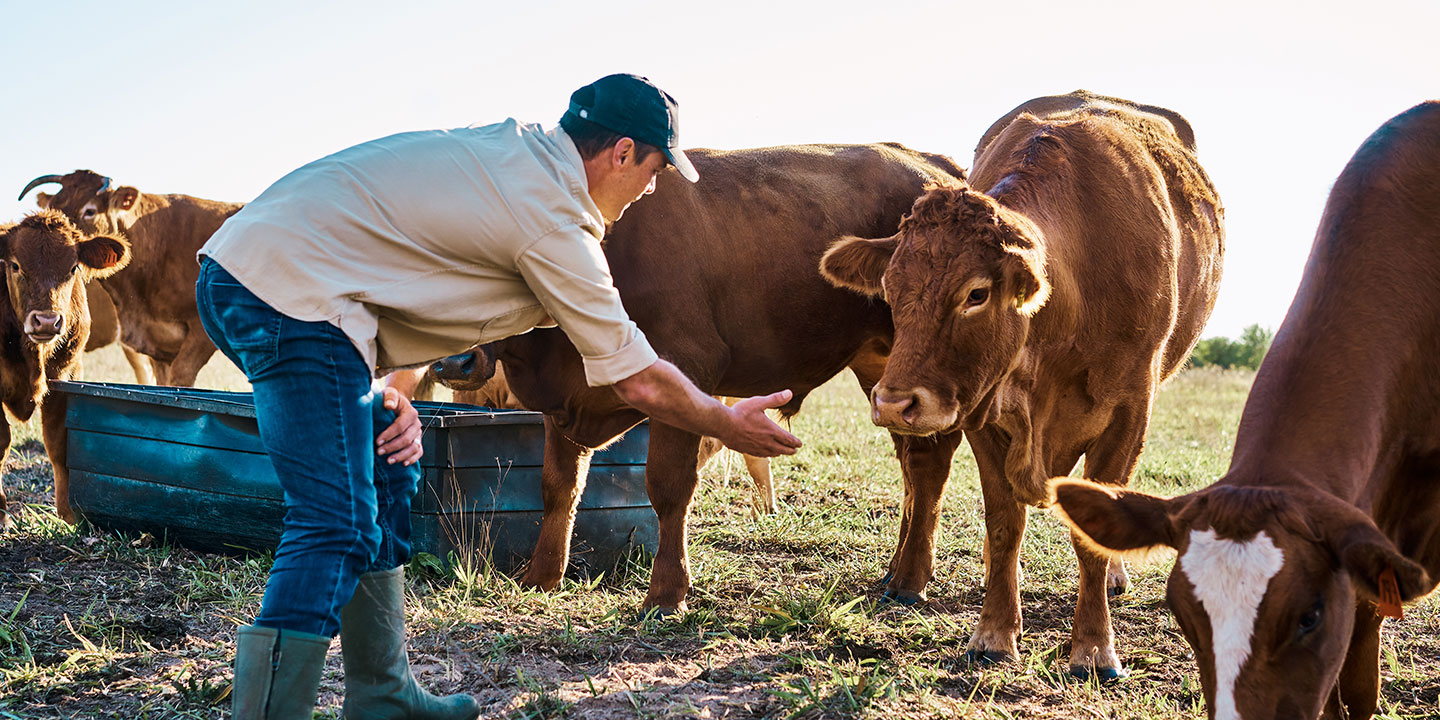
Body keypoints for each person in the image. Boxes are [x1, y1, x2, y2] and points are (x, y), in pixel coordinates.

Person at [196, 74, 802, 719]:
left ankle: (381, 694)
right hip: (283, 298)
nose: (654, 188)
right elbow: (637, 378)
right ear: (622, 152)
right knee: (334, 520)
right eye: (655, 168)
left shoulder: (517, 157)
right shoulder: (552, 218)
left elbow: (399, 259)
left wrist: (375, 391)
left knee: (387, 465)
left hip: (285, 289)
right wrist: (723, 420)